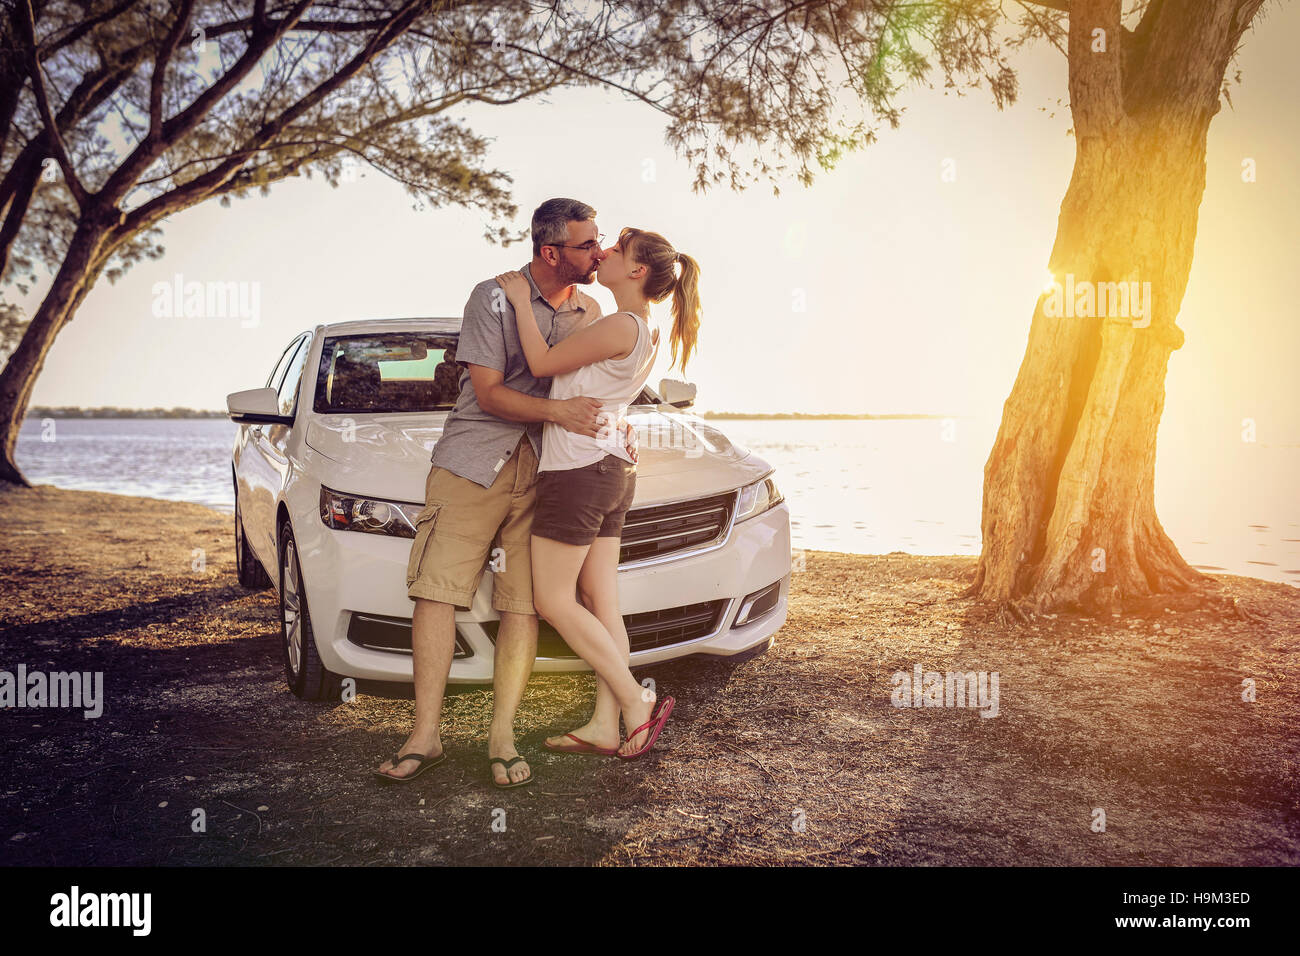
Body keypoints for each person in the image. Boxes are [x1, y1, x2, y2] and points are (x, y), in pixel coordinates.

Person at [373, 198, 635, 788]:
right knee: (437, 593)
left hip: (547, 469)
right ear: (552, 251)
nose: (598, 252)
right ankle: (425, 736)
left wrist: (617, 421)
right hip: (472, 461)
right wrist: (560, 412)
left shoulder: (591, 310)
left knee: (523, 603)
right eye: (588, 244)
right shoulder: (492, 296)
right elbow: (489, 394)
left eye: (599, 243)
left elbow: (598, 380)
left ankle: (502, 737)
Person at [494, 225, 700, 759]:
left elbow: (540, 364)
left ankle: (635, 702)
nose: (602, 252)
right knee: (601, 602)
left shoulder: (620, 326)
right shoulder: (644, 328)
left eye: (616, 249)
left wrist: (520, 300)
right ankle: (606, 726)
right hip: (610, 470)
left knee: (552, 600)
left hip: (580, 472)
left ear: (636, 271)